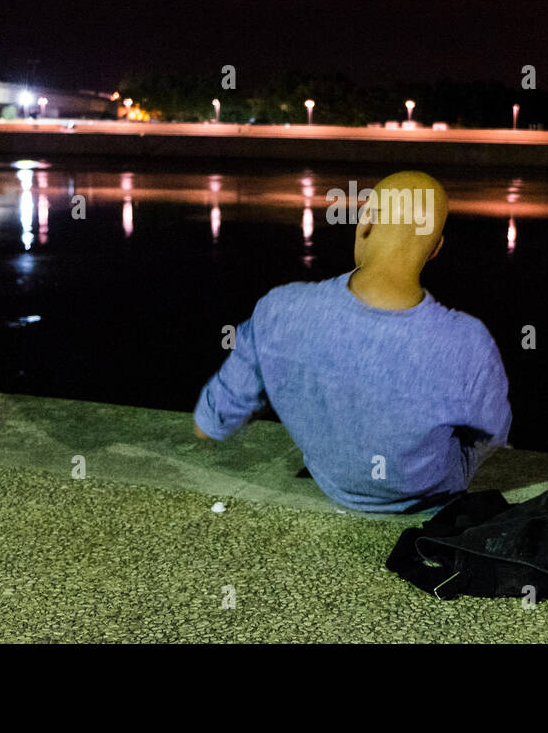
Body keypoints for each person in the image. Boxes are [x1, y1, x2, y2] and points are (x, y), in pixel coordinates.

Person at [193, 170, 512, 513]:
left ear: (365, 225)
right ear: (435, 249)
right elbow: (493, 434)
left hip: (333, 485)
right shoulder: (468, 340)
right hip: (433, 495)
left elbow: (209, 424)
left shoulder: (279, 309)